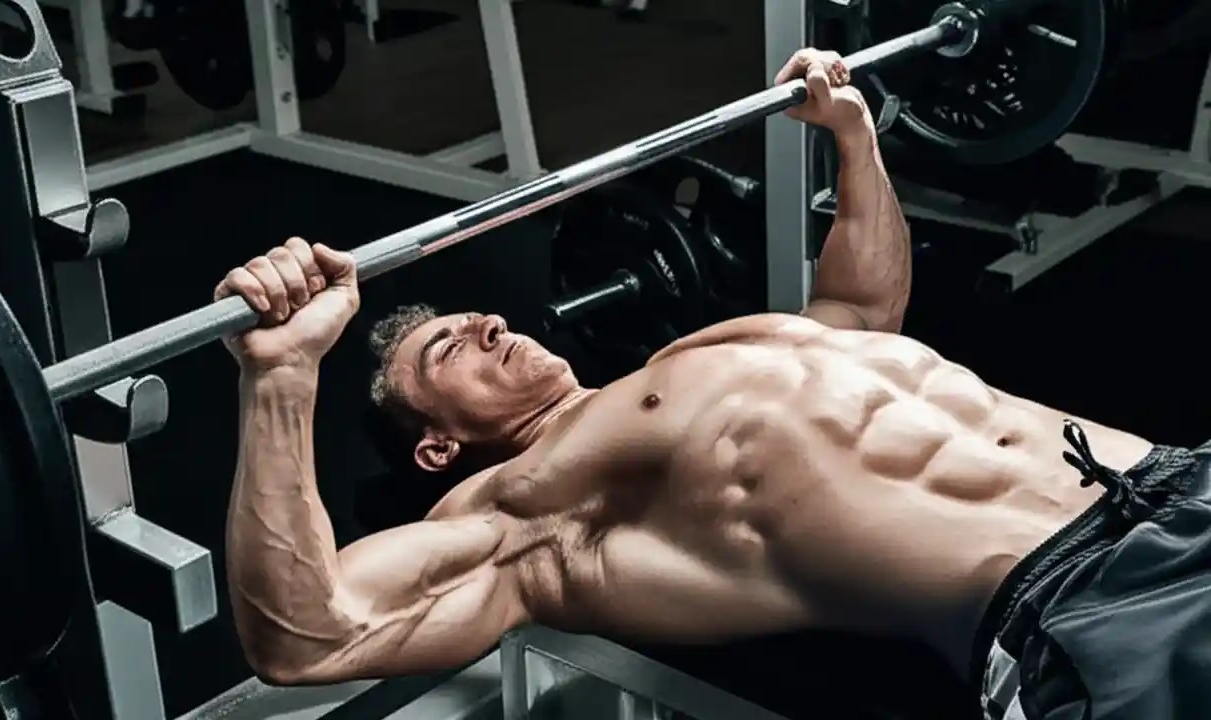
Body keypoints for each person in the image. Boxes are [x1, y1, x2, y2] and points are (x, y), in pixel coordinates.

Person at [215, 48, 1211, 720]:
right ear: (436, 447)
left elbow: (860, 319)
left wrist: (851, 137)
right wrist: (283, 376)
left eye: (486, 322)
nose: (488, 326)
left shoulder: (695, 357)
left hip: (1175, 484)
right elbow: (309, 637)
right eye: (450, 354)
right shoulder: (526, 516)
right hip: (1078, 609)